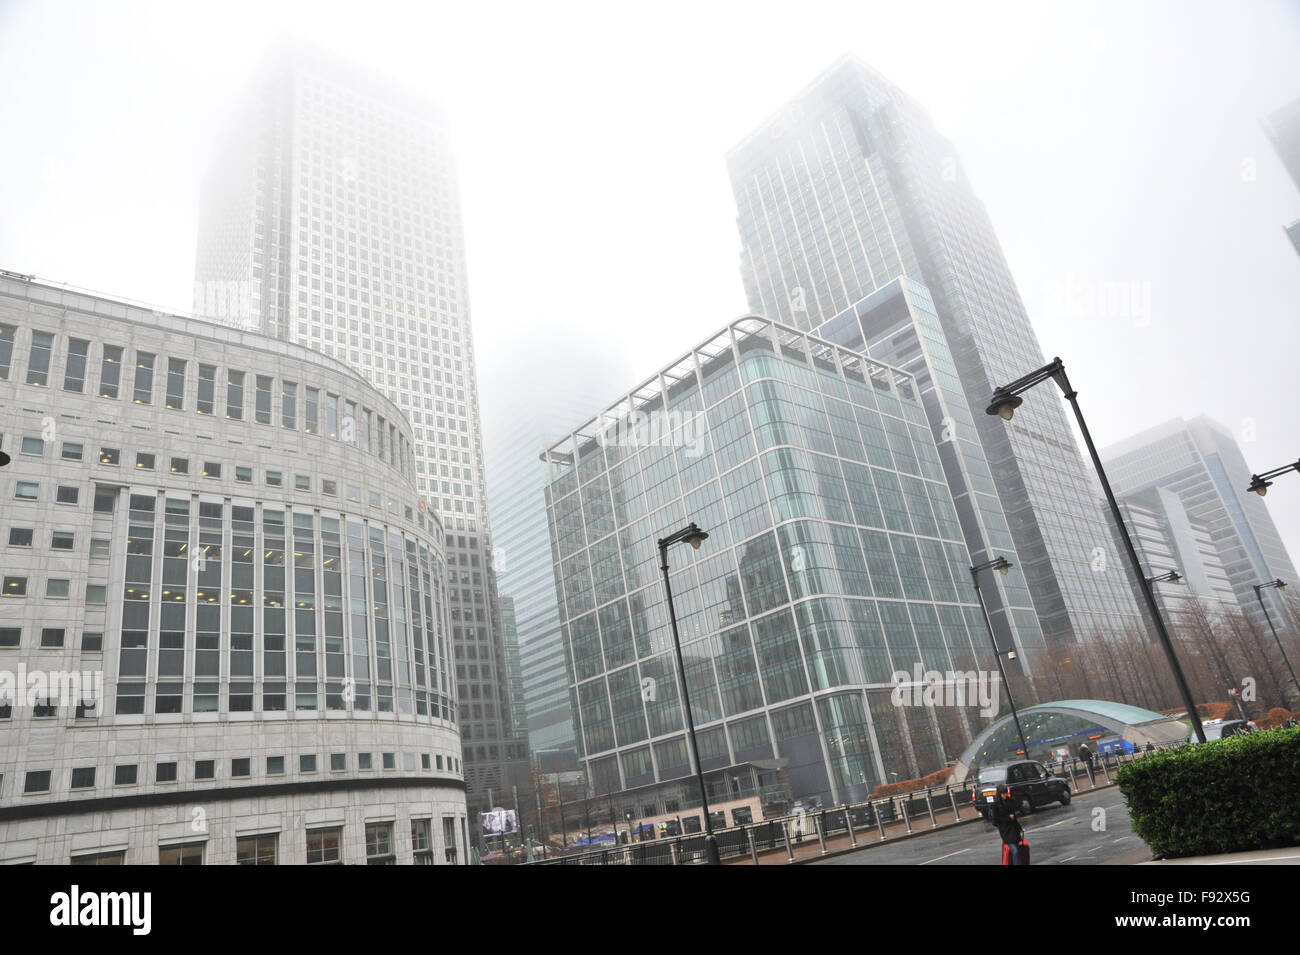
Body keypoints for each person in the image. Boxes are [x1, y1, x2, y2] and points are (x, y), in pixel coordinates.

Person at [988, 783, 1027, 865]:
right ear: (999, 794)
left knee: (1016, 852)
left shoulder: (1010, 801)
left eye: (1006, 792)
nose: (1005, 794)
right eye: (1003, 793)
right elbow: (995, 821)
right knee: (1015, 851)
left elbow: (1014, 817)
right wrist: (1008, 818)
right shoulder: (995, 805)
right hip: (1005, 831)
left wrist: (1020, 828)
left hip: (1014, 830)